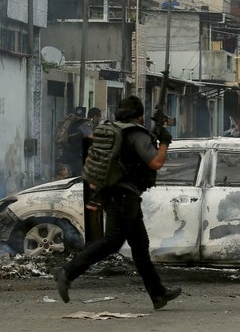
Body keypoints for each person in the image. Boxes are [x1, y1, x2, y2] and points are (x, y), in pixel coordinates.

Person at [52, 95, 182, 310]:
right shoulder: (135, 134)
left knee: (140, 246)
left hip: (114, 192)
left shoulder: (113, 129)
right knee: (112, 241)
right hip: (123, 196)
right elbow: (156, 162)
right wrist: (165, 142)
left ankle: (158, 294)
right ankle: (67, 272)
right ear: (140, 115)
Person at [56, 108, 89, 178]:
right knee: (78, 178)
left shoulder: (69, 123)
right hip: (77, 157)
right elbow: (90, 140)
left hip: (66, 155)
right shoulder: (84, 124)